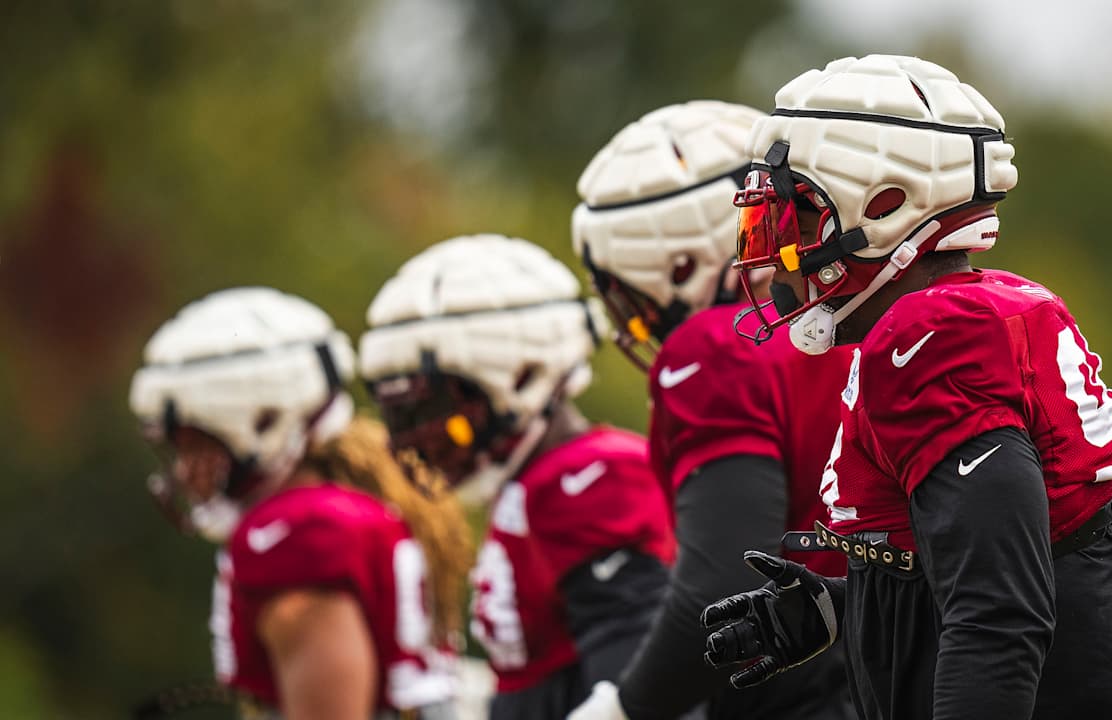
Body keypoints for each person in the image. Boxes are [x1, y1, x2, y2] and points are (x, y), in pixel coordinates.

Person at [701, 55, 1112, 719]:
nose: (775, 248)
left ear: (883, 206)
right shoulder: (972, 314)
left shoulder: (934, 336)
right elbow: (1002, 567)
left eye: (798, 217)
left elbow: (1001, 616)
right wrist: (842, 610)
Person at [567, 101, 854, 720]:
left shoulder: (717, 347)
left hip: (813, 689)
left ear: (679, 262)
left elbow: (726, 587)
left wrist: (627, 708)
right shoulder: (858, 316)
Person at [358, 234, 676, 720]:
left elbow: (636, 693)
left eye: (432, 407)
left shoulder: (590, 480)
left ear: (520, 375)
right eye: (401, 416)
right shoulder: (528, 485)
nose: (413, 438)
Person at [129, 286, 472, 719]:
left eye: (197, 445)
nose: (183, 470)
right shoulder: (344, 508)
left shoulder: (295, 537)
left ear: (261, 422)